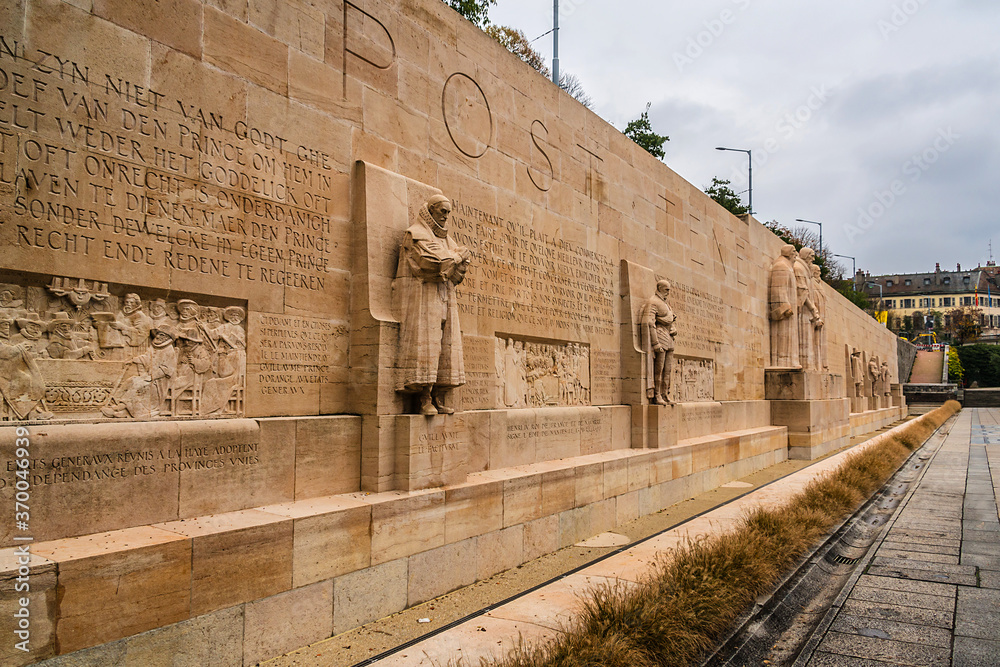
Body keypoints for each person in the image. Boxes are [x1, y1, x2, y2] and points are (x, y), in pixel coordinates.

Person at [394, 194, 472, 415]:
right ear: (431, 210)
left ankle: (437, 396)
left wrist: (458, 261)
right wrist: (456, 258)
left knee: (444, 346)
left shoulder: (448, 242)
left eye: (448, 212)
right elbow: (431, 264)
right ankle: (424, 398)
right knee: (427, 346)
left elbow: (454, 275)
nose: (446, 216)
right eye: (442, 211)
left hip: (445, 296)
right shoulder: (415, 234)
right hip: (424, 297)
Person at [640, 279, 678, 405]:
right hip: (660, 336)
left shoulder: (666, 304)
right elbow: (649, 323)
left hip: (669, 337)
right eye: (666, 289)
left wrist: (673, 329)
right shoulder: (653, 302)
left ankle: (665, 393)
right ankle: (657, 395)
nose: (668, 292)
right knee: (659, 369)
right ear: (660, 288)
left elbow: (671, 320)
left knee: (668, 369)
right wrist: (655, 343)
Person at [768, 245, 799, 368]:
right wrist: (785, 307)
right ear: (789, 253)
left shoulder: (787, 266)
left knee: (788, 337)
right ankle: (782, 363)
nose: (796, 255)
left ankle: (788, 362)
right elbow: (778, 289)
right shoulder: (781, 266)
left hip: (789, 308)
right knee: (782, 338)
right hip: (785, 310)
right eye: (794, 252)